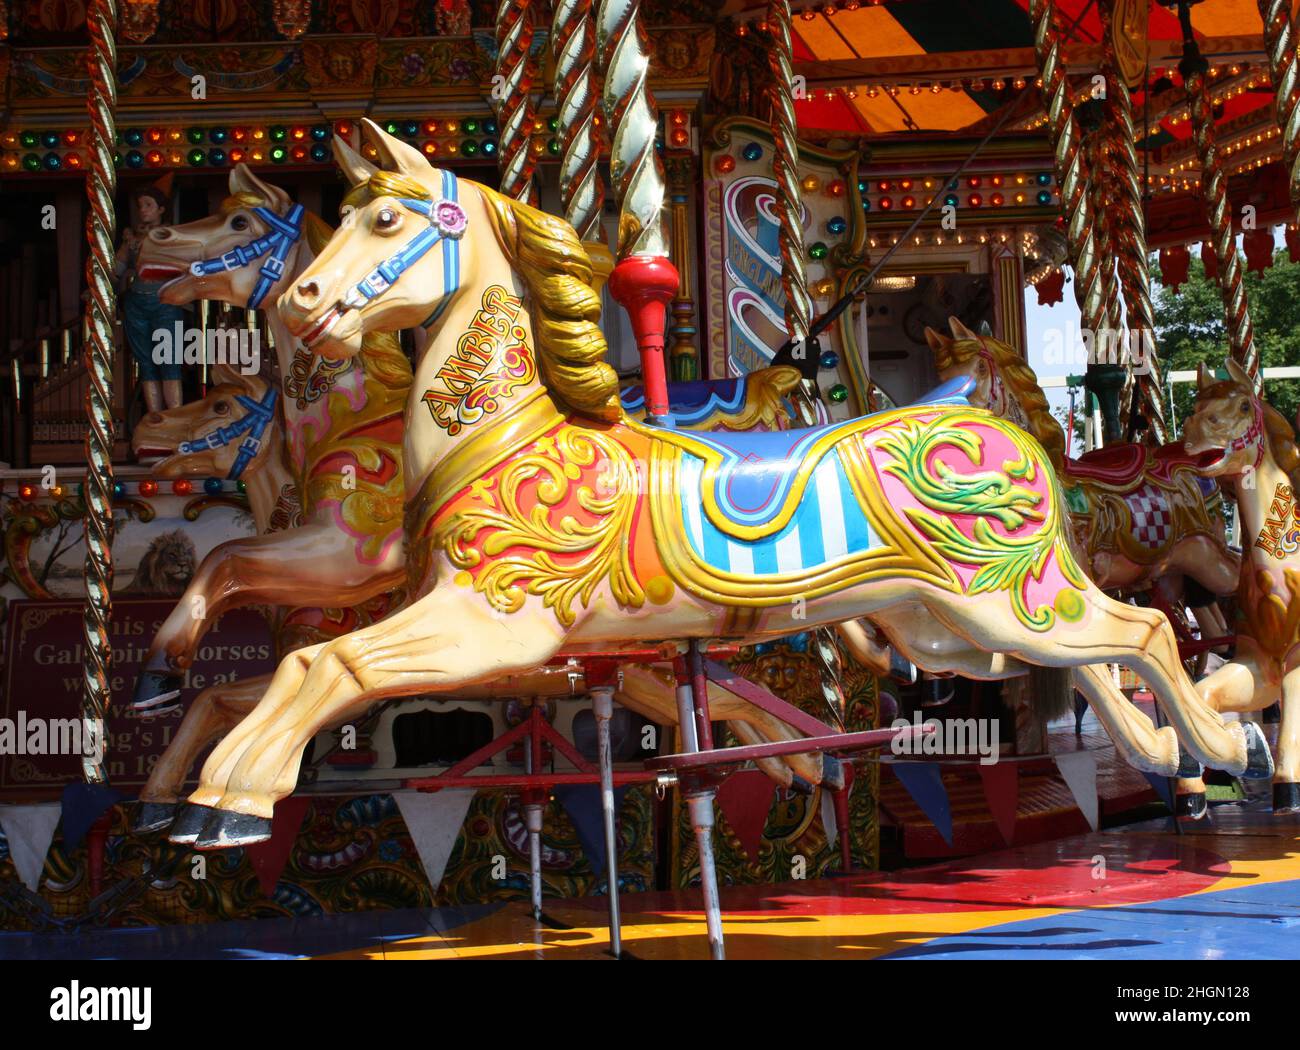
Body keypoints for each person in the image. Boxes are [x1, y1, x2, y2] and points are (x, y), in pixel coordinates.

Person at [115, 177, 185, 411]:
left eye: (148, 205)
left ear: (161, 209)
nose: (143, 210)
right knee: (146, 363)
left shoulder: (171, 238)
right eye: (140, 206)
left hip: (165, 301)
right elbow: (117, 268)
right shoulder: (132, 239)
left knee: (169, 361)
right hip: (137, 303)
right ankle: (155, 416)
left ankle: (173, 416)